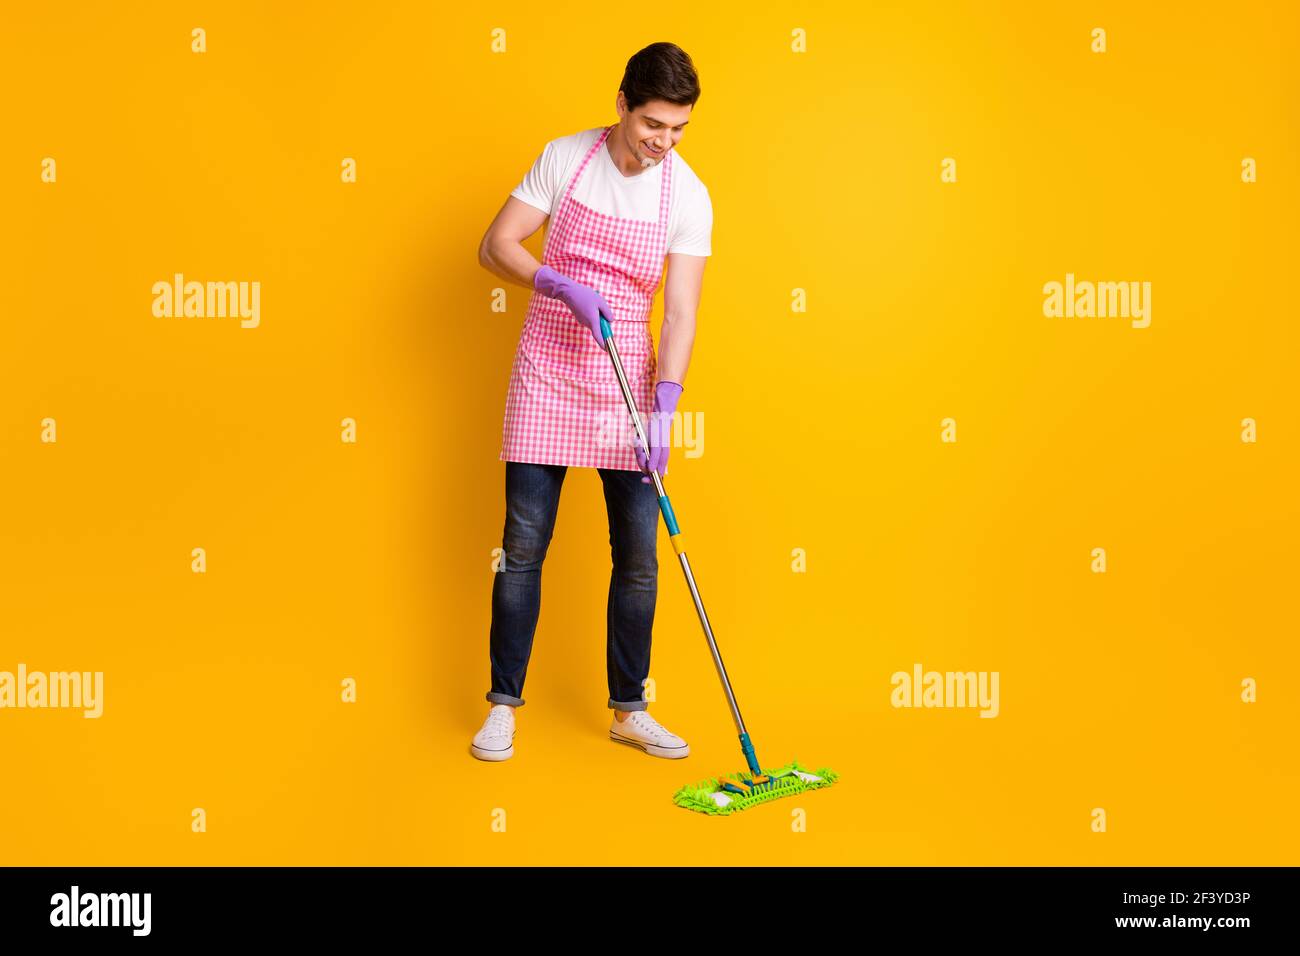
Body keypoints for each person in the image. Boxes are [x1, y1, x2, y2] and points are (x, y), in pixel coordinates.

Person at [473, 42, 712, 762]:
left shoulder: (688, 193)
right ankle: (502, 707)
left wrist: (665, 403)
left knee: (638, 557)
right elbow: (495, 245)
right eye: (652, 126)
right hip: (547, 367)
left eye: (677, 130)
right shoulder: (566, 157)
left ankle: (629, 709)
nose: (663, 143)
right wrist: (555, 284)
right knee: (521, 550)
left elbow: (680, 313)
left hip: (624, 384)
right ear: (621, 106)